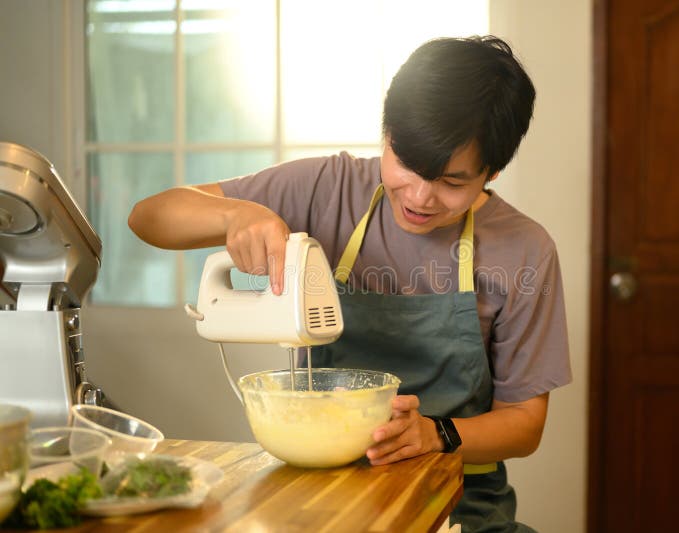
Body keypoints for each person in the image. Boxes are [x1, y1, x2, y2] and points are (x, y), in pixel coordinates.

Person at [129, 35, 571, 533]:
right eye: (407, 165)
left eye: (452, 182)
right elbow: (149, 217)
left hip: (458, 501)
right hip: (315, 491)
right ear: (386, 134)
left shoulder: (525, 250)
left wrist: (436, 434)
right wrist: (238, 213)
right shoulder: (326, 189)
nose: (421, 197)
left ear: (492, 170)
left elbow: (525, 424)